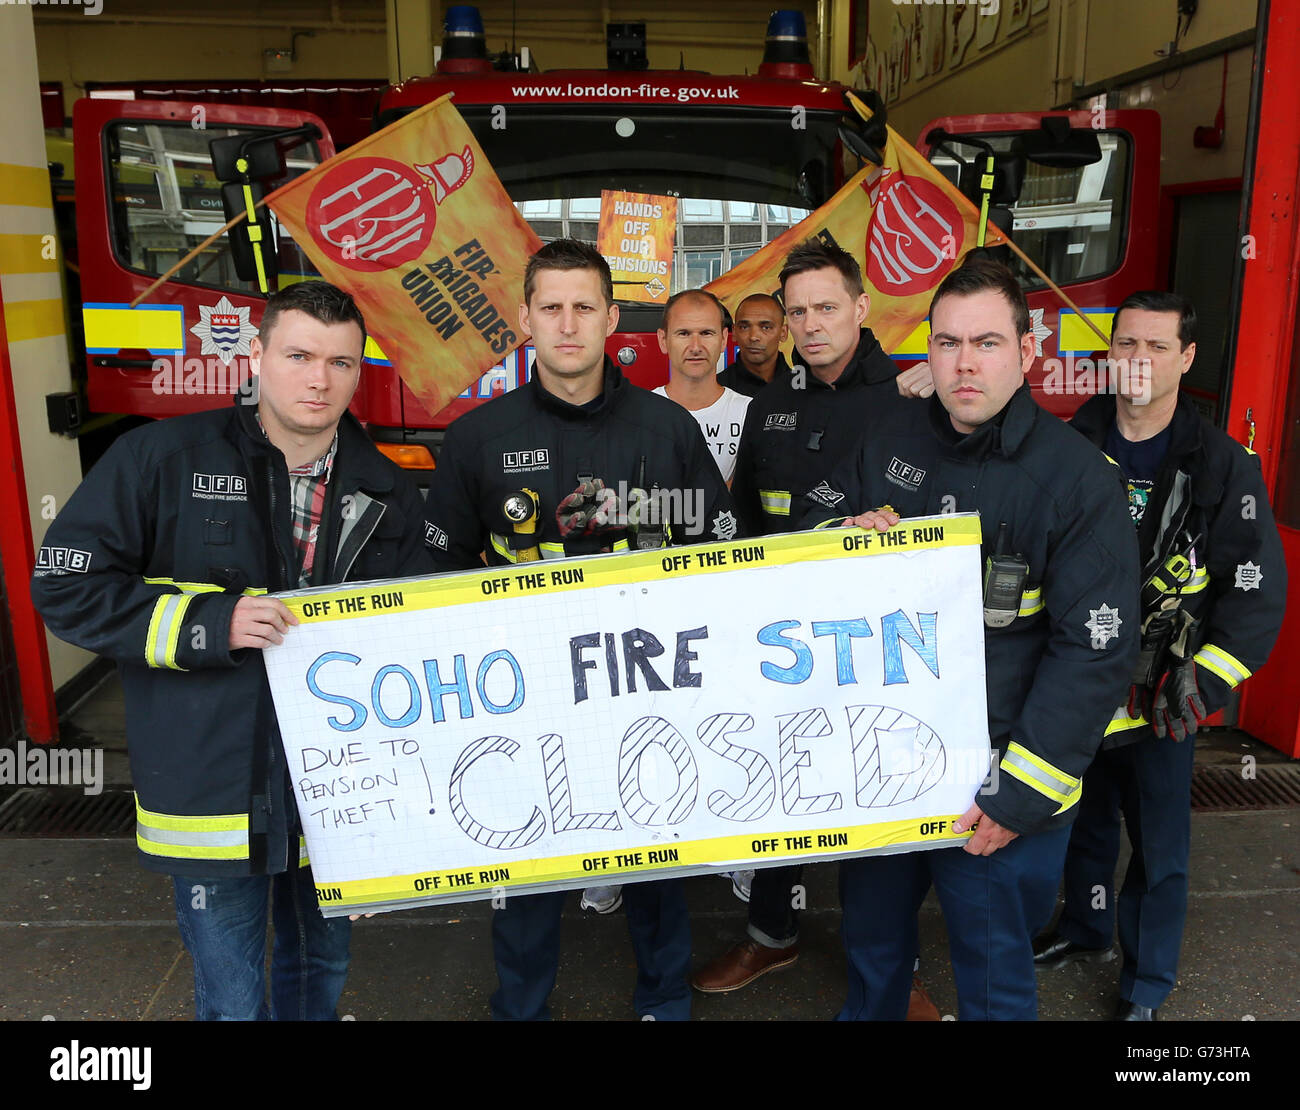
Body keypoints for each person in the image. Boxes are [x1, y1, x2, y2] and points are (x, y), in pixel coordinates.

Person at [30, 281, 435, 1020]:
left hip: (338, 798)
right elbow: (64, 587)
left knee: (322, 971)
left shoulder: (388, 490)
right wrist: (208, 625)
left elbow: (415, 653)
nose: (319, 379)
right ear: (256, 355)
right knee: (233, 995)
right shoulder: (159, 458)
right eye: (299, 355)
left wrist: (399, 836)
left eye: (341, 362)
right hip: (213, 793)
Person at [797, 255, 1141, 1020]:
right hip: (881, 763)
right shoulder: (888, 440)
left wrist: (1019, 793)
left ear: (1028, 351)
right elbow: (803, 563)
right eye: (946, 343)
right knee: (874, 950)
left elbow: (1096, 651)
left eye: (986, 343)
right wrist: (840, 536)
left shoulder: (1078, 479)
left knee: (993, 976)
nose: (963, 363)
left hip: (999, 779)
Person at [422, 238, 736, 1021]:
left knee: (659, 858)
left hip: (647, 690)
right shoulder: (475, 438)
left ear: (612, 318)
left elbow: (719, 561)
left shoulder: (667, 431)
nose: (567, 324)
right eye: (551, 307)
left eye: (583, 307)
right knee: (526, 868)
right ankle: (521, 1007)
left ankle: (664, 999)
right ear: (525, 318)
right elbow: (436, 582)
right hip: (527, 698)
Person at [1034, 291, 1286, 1020]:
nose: (1137, 361)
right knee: (1082, 822)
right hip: (1078, 683)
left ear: (1187, 358)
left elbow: (1255, 586)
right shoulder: (1068, 444)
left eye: (1154, 348)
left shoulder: (1223, 466)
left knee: (1161, 847)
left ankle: (1145, 986)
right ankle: (1084, 933)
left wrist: (1205, 677)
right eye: (1125, 346)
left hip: (1162, 691)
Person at [694, 237, 933, 1007]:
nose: (810, 324)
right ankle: (772, 938)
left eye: (826, 307)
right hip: (781, 640)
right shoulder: (773, 404)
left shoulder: (912, 398)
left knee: (887, 813)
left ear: (862, 309)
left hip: (881, 644)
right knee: (779, 787)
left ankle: (897, 974)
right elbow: (739, 517)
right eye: (798, 312)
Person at [654, 289, 752, 486]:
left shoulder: (750, 412)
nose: (696, 346)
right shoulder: (639, 414)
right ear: (663, 340)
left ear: (724, 339)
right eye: (684, 333)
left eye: (706, 333)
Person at [717, 292, 792, 397]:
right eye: (744, 327)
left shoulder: (804, 388)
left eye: (766, 327)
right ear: (734, 332)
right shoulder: (717, 390)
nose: (753, 337)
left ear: (783, 333)